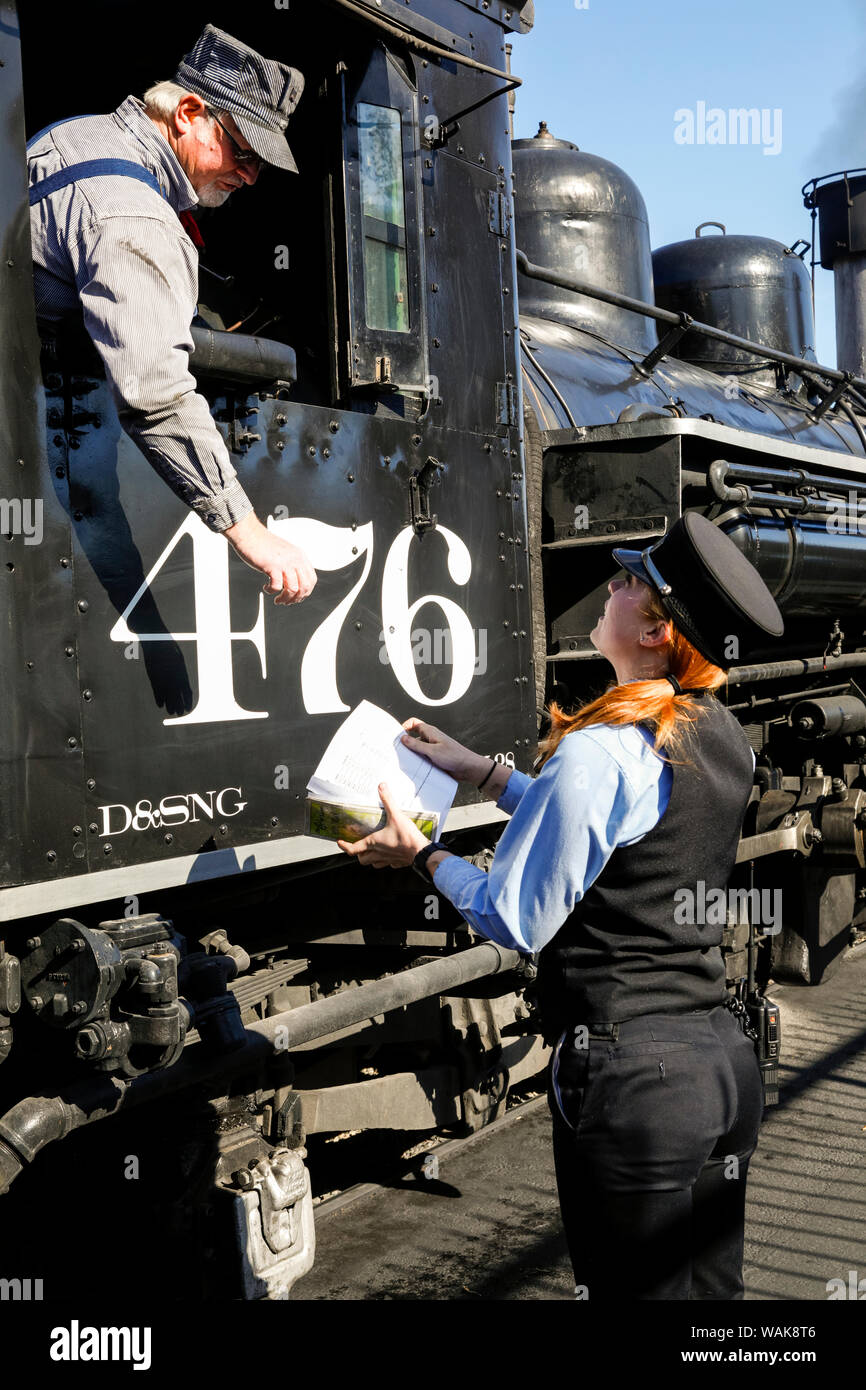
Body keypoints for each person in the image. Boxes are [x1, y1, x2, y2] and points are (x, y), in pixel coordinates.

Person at [338, 511, 785, 1300]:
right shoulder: (722, 736)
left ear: (653, 630)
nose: (607, 589)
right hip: (721, 1065)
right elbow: (616, 826)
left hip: (638, 1083)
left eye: (626, 582)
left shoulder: (601, 748)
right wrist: (483, 773)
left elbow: (515, 917)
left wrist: (423, 855)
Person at [28, 24, 315, 606]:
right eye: (243, 151)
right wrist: (250, 531)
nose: (251, 176)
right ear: (188, 111)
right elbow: (155, 390)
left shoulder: (72, 137)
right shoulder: (133, 212)